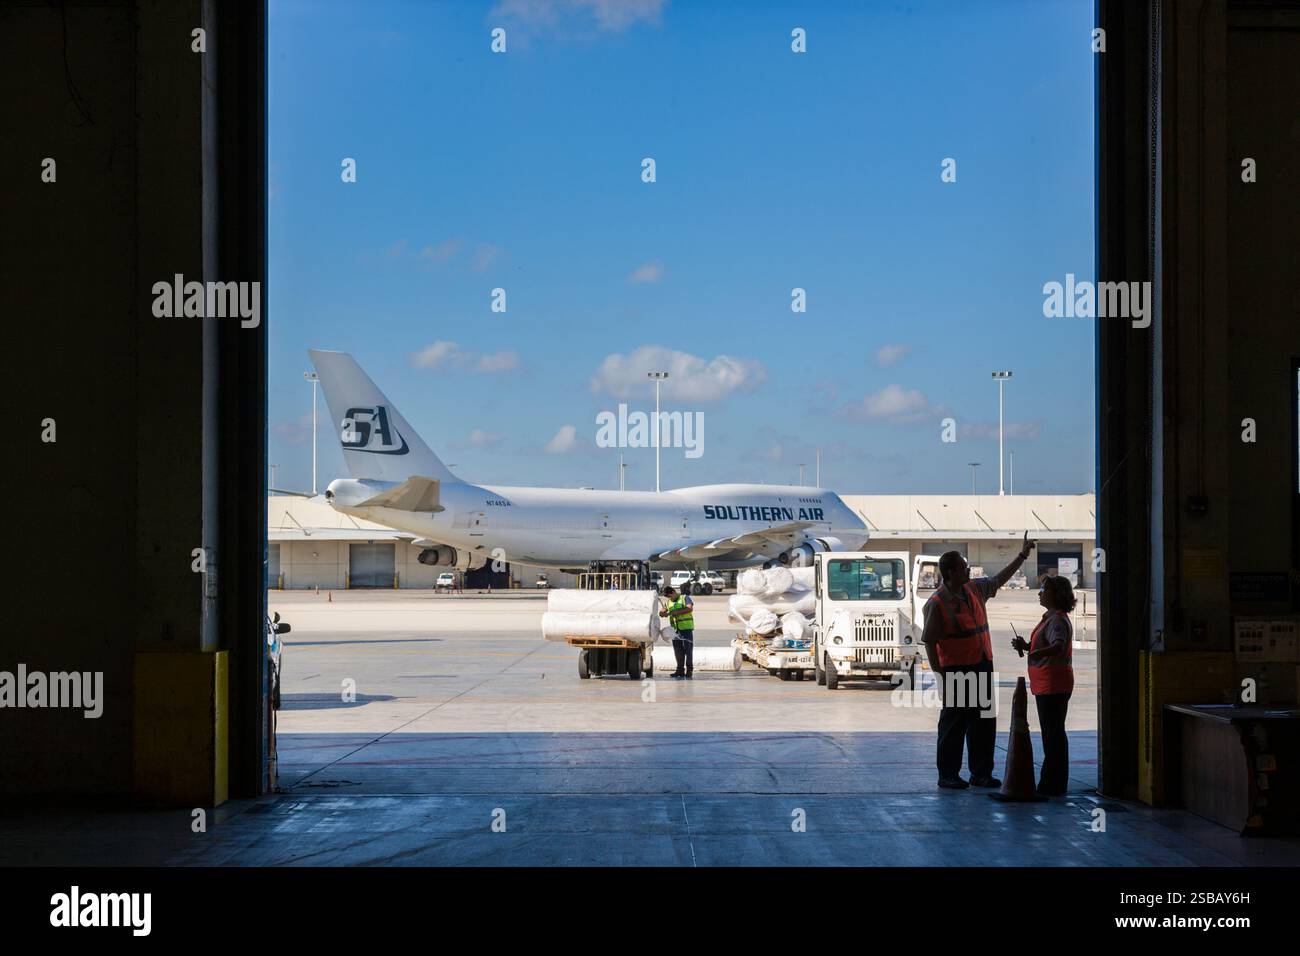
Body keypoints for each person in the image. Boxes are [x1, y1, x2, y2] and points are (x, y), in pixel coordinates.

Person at [921, 533, 1036, 790]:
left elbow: (999, 580)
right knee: (954, 725)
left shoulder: (974, 590)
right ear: (950, 573)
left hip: (982, 664)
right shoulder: (938, 603)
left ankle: (981, 773)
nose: (968, 571)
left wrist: (1022, 556)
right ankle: (948, 774)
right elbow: (929, 641)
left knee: (984, 723)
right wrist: (940, 676)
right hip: (957, 670)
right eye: (963, 568)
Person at [1012, 574, 1075, 796]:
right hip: (1046, 683)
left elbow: (1058, 646)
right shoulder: (1050, 618)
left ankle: (1053, 784)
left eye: (1044, 590)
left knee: (1053, 735)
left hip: (1053, 684)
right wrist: (1028, 646)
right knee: (1052, 733)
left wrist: (1036, 651)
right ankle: (1052, 782)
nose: (1040, 593)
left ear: (1055, 595)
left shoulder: (1057, 620)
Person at [659, 586, 695, 679]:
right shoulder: (668, 602)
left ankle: (689, 671)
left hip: (686, 629)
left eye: (671, 596)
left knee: (688, 650)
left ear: (674, 592)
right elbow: (663, 611)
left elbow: (689, 608)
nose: (670, 598)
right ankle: (680, 670)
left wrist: (677, 612)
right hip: (675, 631)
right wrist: (662, 613)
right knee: (678, 651)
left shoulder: (684, 598)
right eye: (668, 597)